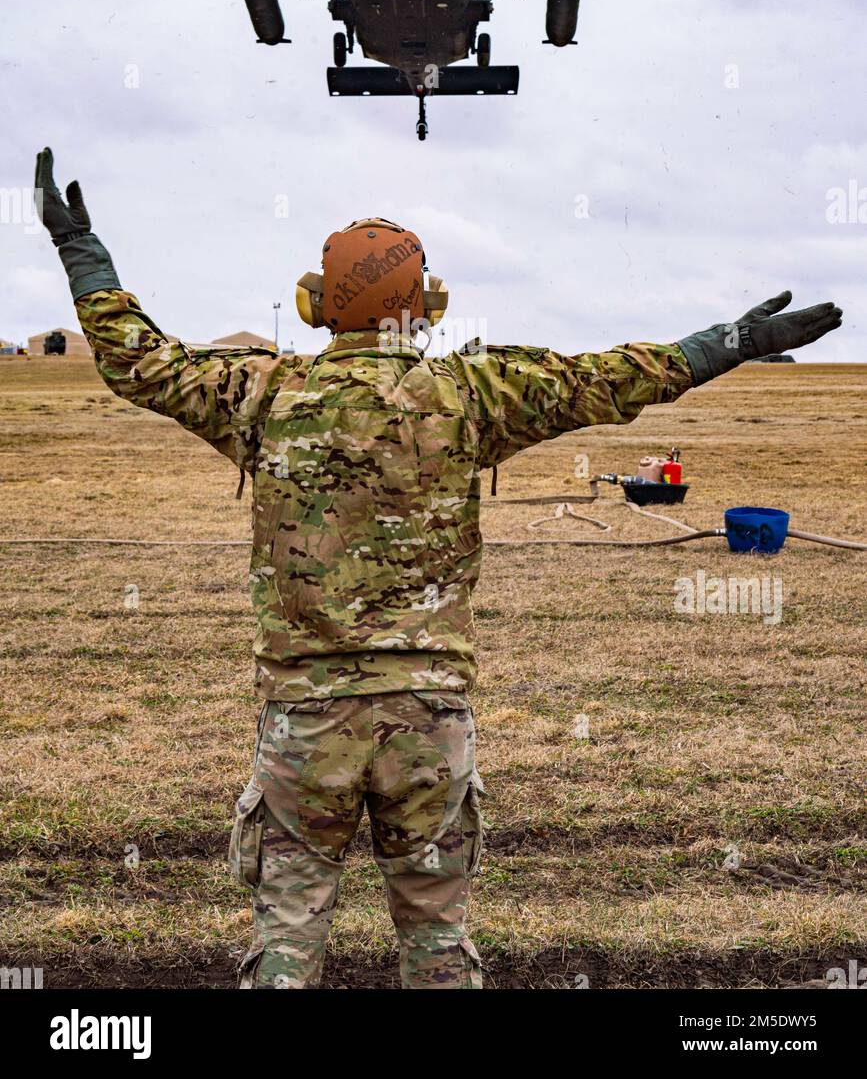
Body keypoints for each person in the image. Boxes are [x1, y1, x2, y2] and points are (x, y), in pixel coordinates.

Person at [34, 148, 843, 990]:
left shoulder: (262, 392)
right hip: (429, 720)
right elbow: (616, 377)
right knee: (437, 946)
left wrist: (80, 248)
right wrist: (737, 341)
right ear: (425, 307)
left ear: (314, 306)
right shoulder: (472, 393)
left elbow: (138, 358)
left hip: (304, 719)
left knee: (284, 943)